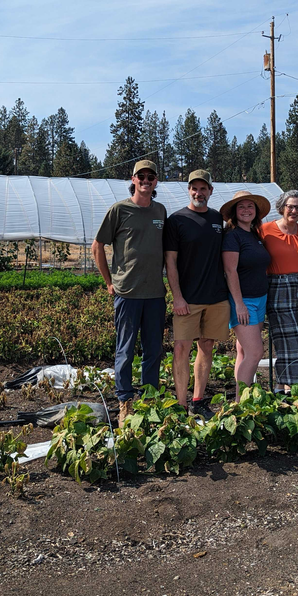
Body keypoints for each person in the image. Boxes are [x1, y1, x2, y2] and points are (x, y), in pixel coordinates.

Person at [91, 159, 167, 427]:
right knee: (125, 350)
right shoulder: (119, 210)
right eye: (141, 176)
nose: (146, 180)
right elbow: (97, 245)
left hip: (156, 294)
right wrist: (109, 282)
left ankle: (148, 400)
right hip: (127, 294)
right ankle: (124, 402)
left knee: (153, 350)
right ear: (133, 179)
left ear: (156, 181)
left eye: (151, 177)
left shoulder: (160, 211)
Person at [164, 169, 229, 418]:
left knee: (207, 345)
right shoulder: (177, 220)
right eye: (194, 188)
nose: (198, 193)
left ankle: (198, 400)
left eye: (203, 188)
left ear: (210, 191)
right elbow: (170, 262)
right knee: (181, 348)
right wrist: (177, 297)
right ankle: (181, 405)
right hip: (188, 300)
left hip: (216, 297)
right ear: (188, 190)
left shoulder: (217, 219)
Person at [220, 191, 272, 402]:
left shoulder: (254, 234)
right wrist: (239, 304)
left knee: (243, 350)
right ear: (234, 211)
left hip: (260, 299)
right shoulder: (232, 236)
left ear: (256, 212)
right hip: (244, 301)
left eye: (250, 206)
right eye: (241, 207)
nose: (246, 210)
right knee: (255, 352)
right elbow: (230, 271)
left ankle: (243, 398)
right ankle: (242, 402)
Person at [260, 190, 298, 391]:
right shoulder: (266, 230)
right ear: (282, 207)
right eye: (290, 206)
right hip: (279, 286)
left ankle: (296, 389)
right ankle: (283, 387)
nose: (294, 210)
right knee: (287, 340)